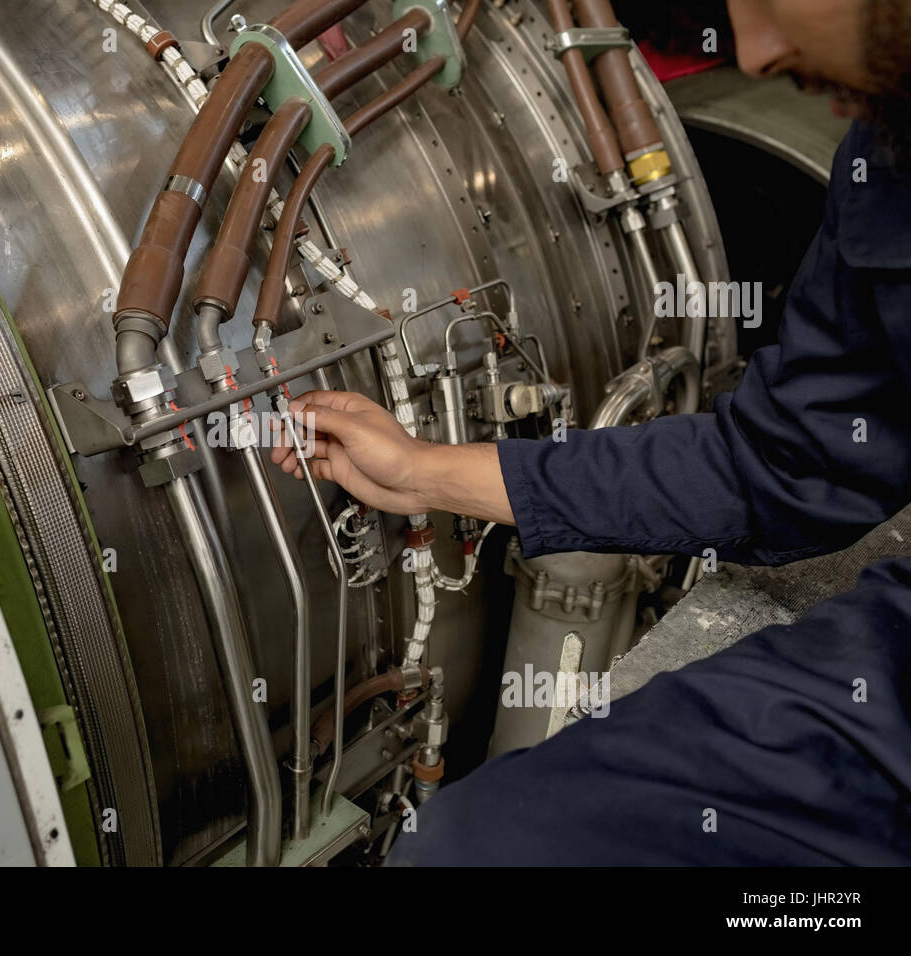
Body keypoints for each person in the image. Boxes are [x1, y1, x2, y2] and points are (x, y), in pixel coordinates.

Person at [271, 0, 911, 864]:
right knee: (467, 851)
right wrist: (426, 474)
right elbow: (781, 462)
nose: (752, 52)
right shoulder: (889, 146)